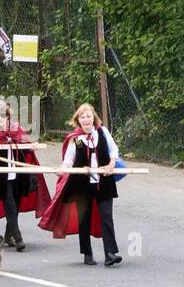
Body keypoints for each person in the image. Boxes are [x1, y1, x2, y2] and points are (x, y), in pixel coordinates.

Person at [39, 102, 122, 266]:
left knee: (106, 217)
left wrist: (111, 165)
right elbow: (68, 161)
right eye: (82, 117)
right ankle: (87, 253)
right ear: (78, 120)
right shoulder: (75, 139)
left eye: (88, 116)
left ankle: (110, 253)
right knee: (84, 219)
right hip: (81, 185)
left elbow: (114, 151)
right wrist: (62, 169)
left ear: (94, 118)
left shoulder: (103, 132)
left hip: (103, 182)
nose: (86, 120)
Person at [0, 99, 51, 251]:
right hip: (1, 175)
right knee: (10, 204)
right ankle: (18, 238)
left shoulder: (16, 129)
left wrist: (31, 146)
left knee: (16, 203)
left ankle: (8, 234)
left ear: (8, 117)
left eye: (3, 116)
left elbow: (25, 143)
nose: (1, 119)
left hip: (18, 173)